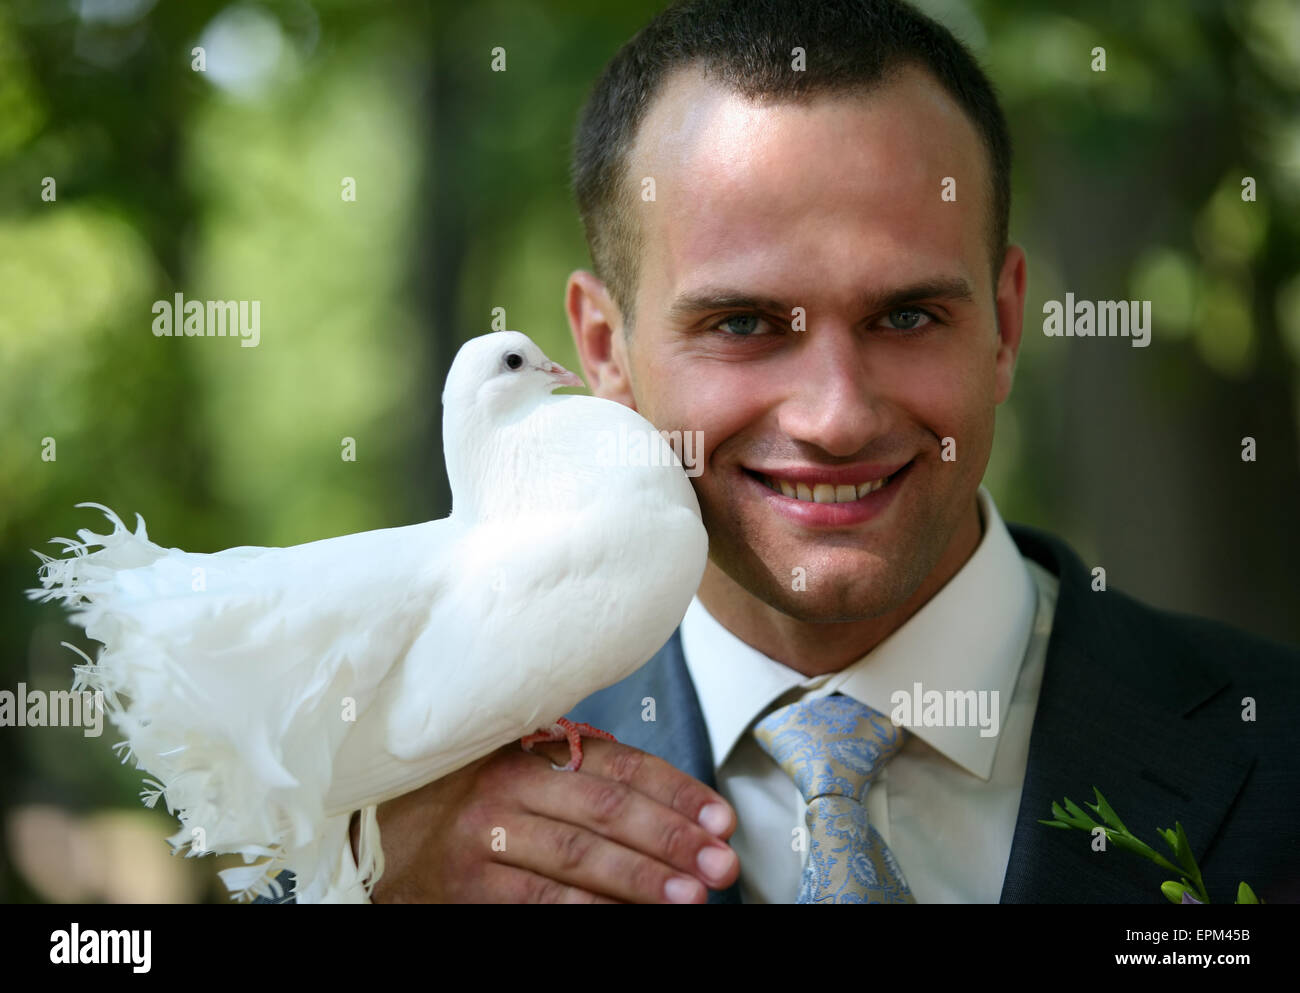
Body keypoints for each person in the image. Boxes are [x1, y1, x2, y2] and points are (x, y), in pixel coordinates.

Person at [265, 0, 1299, 904]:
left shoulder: (1276, 744)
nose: (835, 417)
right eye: (745, 325)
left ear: (1005, 323)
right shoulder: (384, 811)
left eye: (904, 317)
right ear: (603, 355)